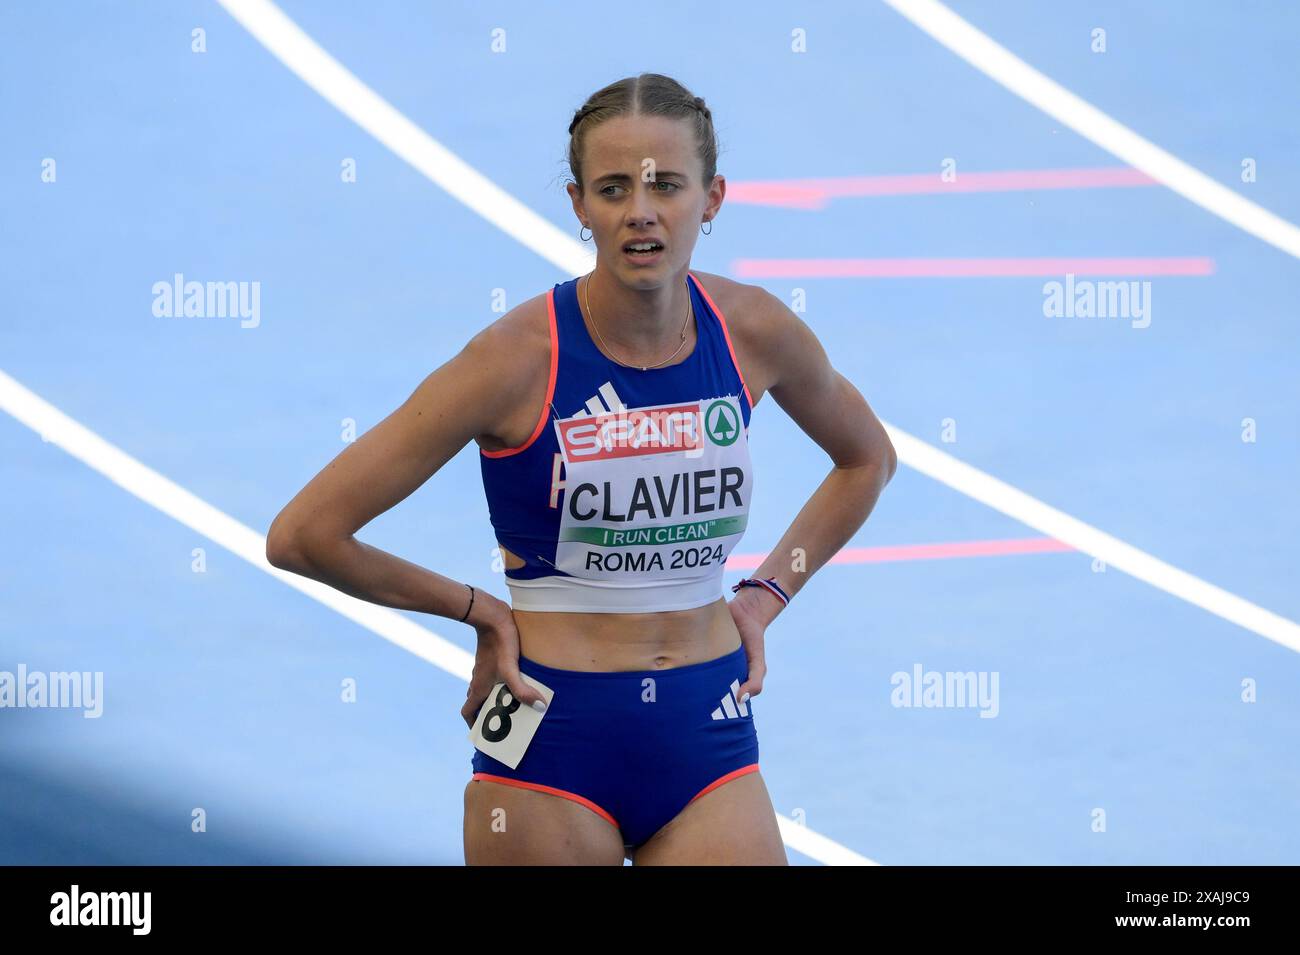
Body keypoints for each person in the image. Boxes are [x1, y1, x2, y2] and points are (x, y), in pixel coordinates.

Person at [266, 72, 897, 866]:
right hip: (548, 740)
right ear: (579, 204)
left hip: (710, 731)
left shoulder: (754, 331)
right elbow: (304, 535)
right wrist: (477, 610)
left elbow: (868, 459)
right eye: (613, 188)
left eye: (667, 185)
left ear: (712, 198)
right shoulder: (513, 361)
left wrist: (767, 594)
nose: (641, 211)